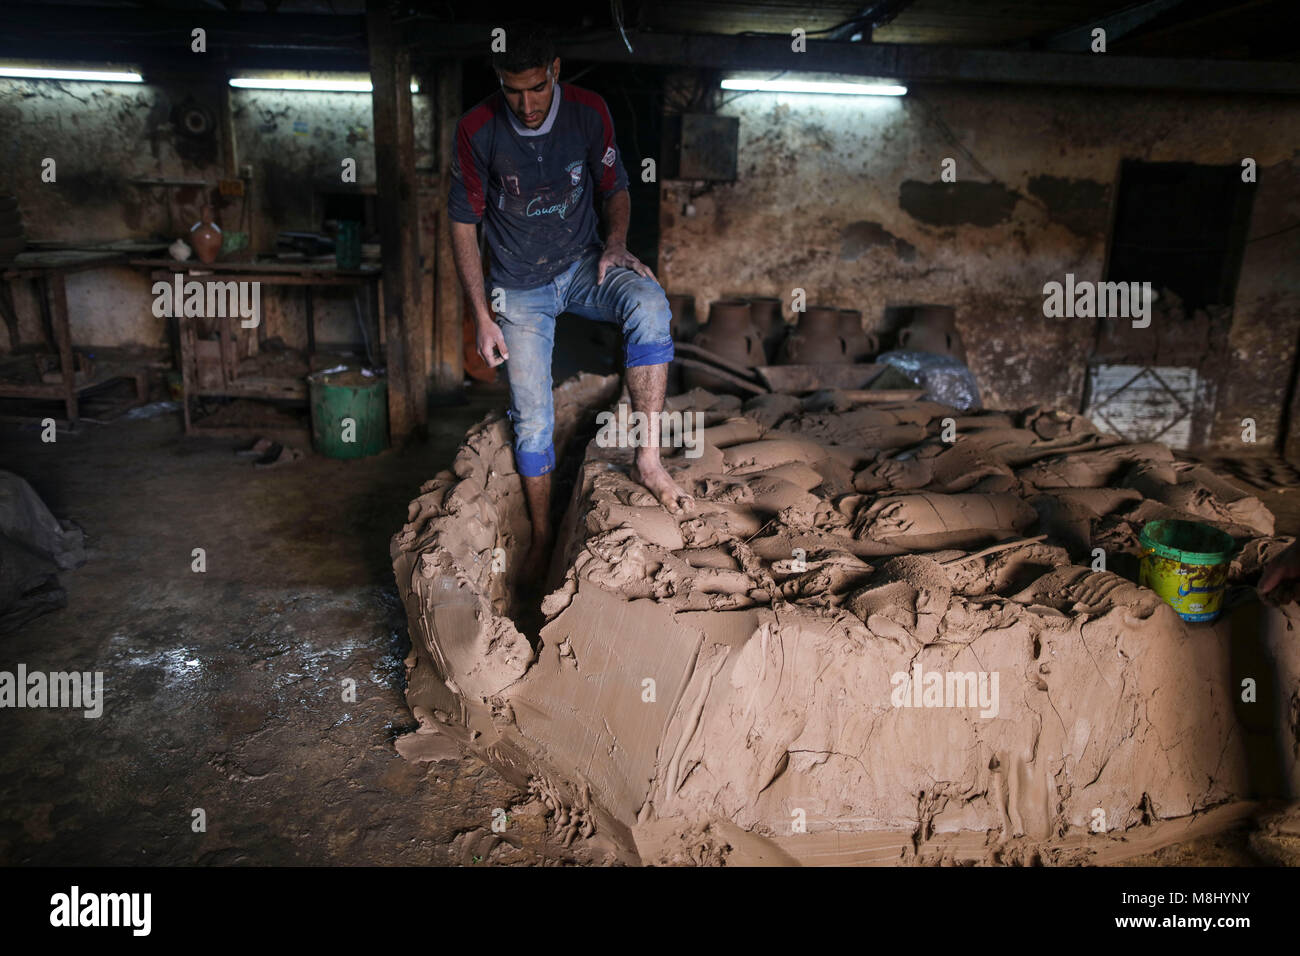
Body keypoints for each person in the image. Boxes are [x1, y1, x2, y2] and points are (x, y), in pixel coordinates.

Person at [448, 26, 692, 570]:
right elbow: (464, 224)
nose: (527, 105)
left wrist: (616, 244)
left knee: (650, 304)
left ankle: (648, 461)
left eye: (536, 88)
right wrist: (482, 317)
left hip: (585, 265)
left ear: (555, 70)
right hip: (518, 284)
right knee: (532, 415)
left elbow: (616, 186)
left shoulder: (588, 111)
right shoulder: (477, 128)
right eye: (513, 91)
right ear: (499, 81)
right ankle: (541, 535)